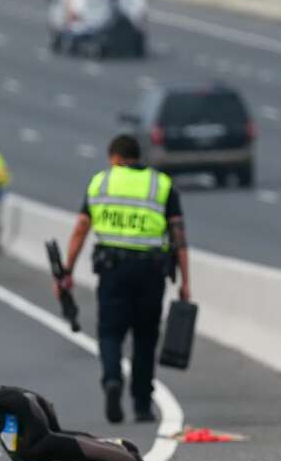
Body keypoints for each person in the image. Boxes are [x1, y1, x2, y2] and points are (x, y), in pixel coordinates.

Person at [55, 134, 191, 424]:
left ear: (114, 157)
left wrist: (67, 271)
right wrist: (185, 282)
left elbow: (81, 228)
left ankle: (112, 380)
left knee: (110, 333)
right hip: (150, 271)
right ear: (138, 156)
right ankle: (142, 404)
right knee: (145, 337)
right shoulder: (161, 184)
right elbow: (179, 236)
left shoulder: (101, 182)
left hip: (112, 270)